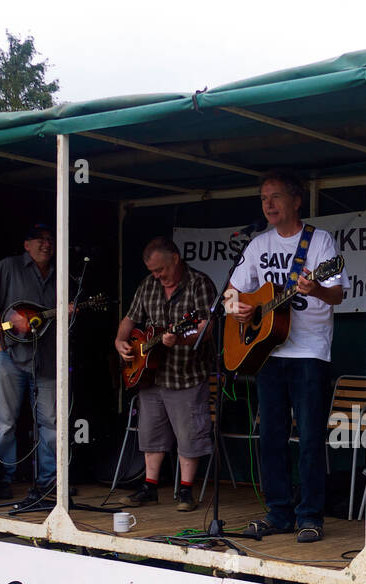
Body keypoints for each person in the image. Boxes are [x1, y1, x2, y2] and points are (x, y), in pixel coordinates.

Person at [227, 171, 345, 543]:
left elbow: (337, 294)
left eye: (275, 196)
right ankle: (278, 513)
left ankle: (310, 515)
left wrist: (315, 289)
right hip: (267, 351)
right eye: (263, 198)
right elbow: (231, 293)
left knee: (309, 437)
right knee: (270, 436)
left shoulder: (319, 242)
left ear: (296, 200)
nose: (268, 204)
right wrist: (238, 310)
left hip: (309, 352)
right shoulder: (257, 244)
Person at [114, 237, 217, 512]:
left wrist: (181, 339)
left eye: (161, 269)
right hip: (151, 375)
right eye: (153, 271)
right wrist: (120, 340)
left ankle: (186, 491)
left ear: (175, 258)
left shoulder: (199, 283)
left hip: (186, 374)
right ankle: (149, 487)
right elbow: (130, 318)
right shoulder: (148, 284)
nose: (157, 276)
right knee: (151, 433)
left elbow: (206, 327)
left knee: (189, 434)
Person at [0, 222, 62, 508]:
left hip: (47, 360)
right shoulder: (8, 267)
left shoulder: (60, 273)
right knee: (5, 423)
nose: (46, 244)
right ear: (26, 244)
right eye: (40, 239)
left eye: (50, 239)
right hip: (10, 356)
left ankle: (49, 480)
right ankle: (2, 480)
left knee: (51, 423)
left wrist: (69, 311)